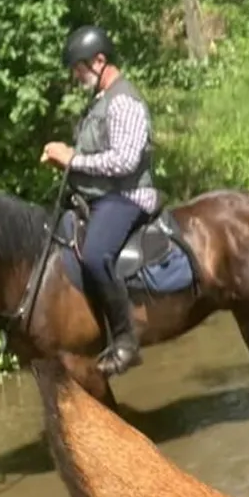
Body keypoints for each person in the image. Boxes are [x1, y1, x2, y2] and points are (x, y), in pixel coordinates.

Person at [40, 24, 158, 376]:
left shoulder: (123, 101)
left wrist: (72, 160)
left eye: (79, 68)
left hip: (127, 195)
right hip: (99, 196)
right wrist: (66, 156)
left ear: (100, 61)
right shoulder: (99, 103)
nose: (77, 75)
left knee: (94, 254)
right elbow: (99, 151)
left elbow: (124, 160)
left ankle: (125, 341)